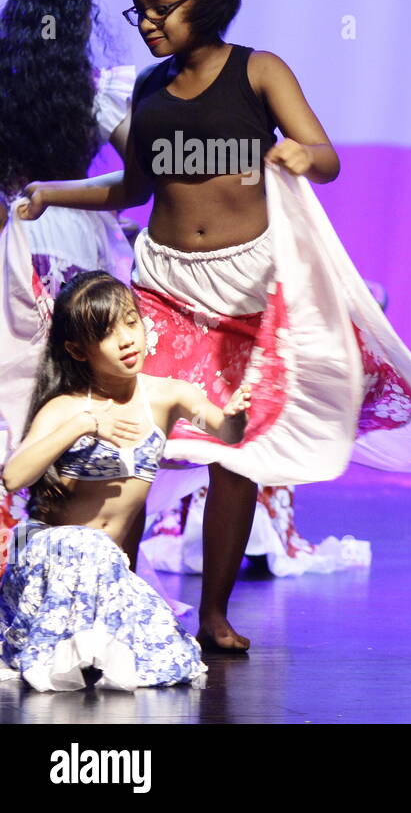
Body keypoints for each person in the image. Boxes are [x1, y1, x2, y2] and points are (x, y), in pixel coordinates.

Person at [16, 0, 411, 651]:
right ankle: (114, 605)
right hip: (164, 285)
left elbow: (325, 157)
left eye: (161, 8)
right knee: (129, 444)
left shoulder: (258, 72)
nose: (147, 23)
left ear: (208, 2)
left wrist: (301, 154)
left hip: (247, 291)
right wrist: (56, 193)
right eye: (138, 11)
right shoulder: (148, 89)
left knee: (236, 458)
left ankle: (212, 614)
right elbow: (135, 188)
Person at [0, 272, 246, 690]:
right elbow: (13, 476)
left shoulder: (169, 395)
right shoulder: (67, 407)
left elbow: (226, 433)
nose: (127, 340)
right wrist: (84, 423)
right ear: (78, 350)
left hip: (110, 571)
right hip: (53, 559)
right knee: (89, 546)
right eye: (107, 333)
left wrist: (237, 415)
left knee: (165, 661)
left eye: (131, 322)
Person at [0, 0, 136, 545]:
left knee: (12, 383)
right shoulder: (96, 90)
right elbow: (147, 171)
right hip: (76, 240)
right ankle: (69, 536)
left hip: (11, 239)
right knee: (71, 383)